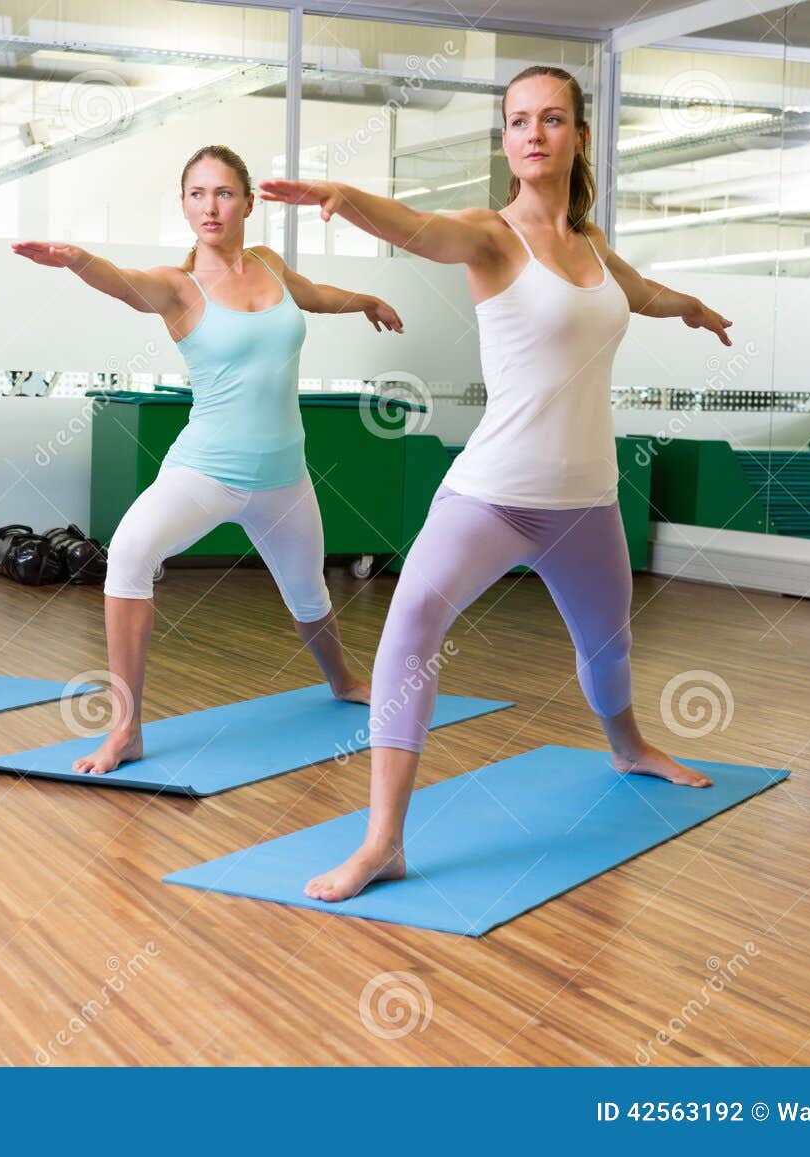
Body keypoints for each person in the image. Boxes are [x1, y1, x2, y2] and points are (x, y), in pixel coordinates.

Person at [256, 67, 734, 902]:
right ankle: (383, 841)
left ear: (580, 135)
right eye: (517, 121)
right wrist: (348, 197)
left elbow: (639, 292)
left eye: (551, 119)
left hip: (588, 500)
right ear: (506, 140)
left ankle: (628, 746)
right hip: (494, 494)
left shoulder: (591, 244)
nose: (533, 134)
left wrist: (690, 306)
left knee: (608, 648)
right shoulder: (491, 236)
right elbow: (419, 229)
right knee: (410, 626)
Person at [13, 144, 404, 774]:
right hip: (206, 471)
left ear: (247, 203)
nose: (210, 207)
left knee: (308, 595)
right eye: (197, 194)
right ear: (184, 205)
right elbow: (124, 284)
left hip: (285, 478)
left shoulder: (270, 264)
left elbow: (312, 295)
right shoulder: (179, 286)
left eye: (223, 193)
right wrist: (79, 260)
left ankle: (344, 681)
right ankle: (126, 729)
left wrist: (364, 300)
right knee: (130, 555)